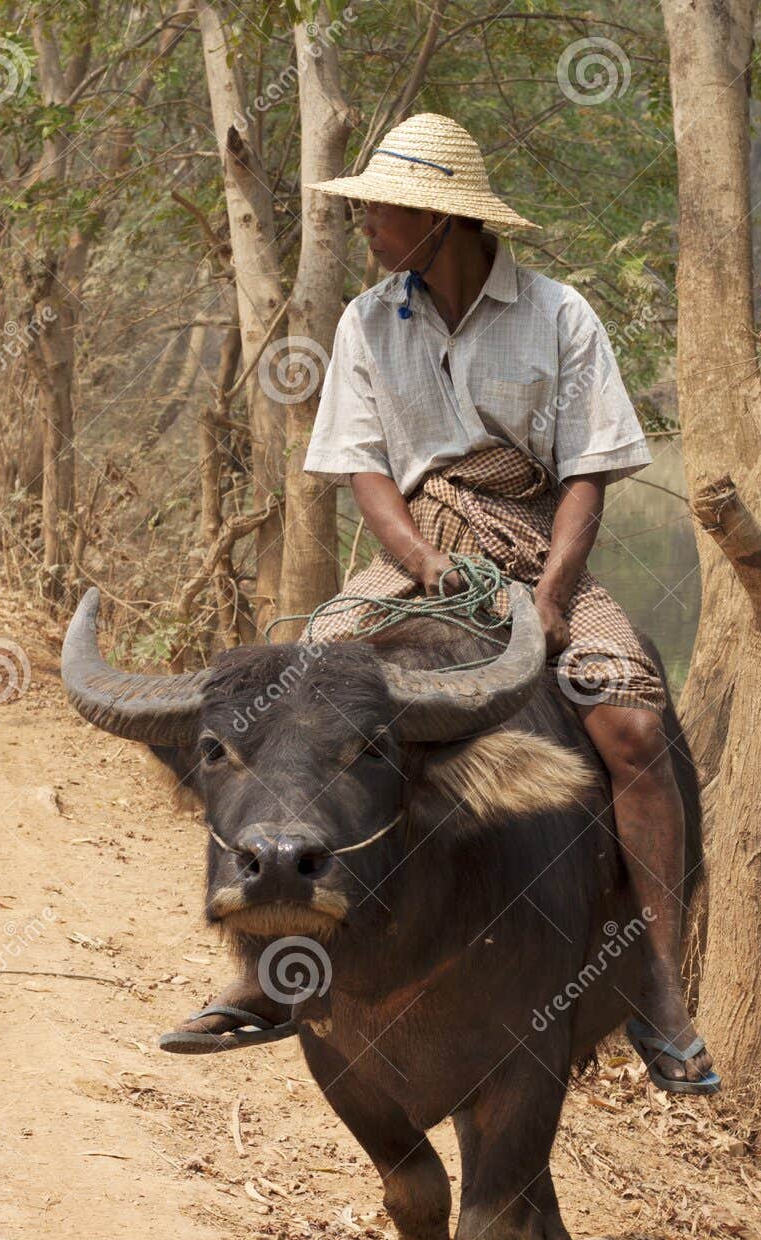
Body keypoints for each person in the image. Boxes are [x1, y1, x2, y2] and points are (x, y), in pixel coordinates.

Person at [164, 112, 717, 1095]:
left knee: (629, 723)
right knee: (296, 706)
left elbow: (587, 473)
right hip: (409, 558)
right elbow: (364, 470)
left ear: (437, 220)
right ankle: (266, 972)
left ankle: (657, 986)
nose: (367, 224)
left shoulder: (560, 315)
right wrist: (418, 561)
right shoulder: (367, 320)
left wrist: (549, 594)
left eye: (380, 208)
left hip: (544, 549)